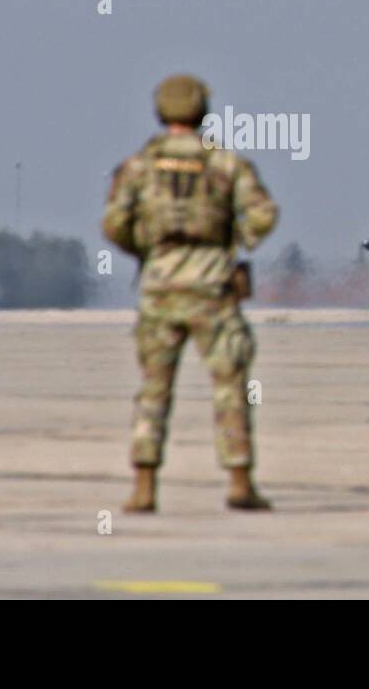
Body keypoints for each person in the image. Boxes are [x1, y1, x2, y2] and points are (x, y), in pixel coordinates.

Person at [102, 75, 279, 512]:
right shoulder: (226, 164)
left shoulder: (138, 167)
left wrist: (149, 248)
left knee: (153, 389)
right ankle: (239, 482)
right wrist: (229, 241)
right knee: (230, 385)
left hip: (160, 289)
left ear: (161, 113)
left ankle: (144, 488)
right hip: (213, 288)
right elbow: (263, 214)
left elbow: (113, 224)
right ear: (203, 112)